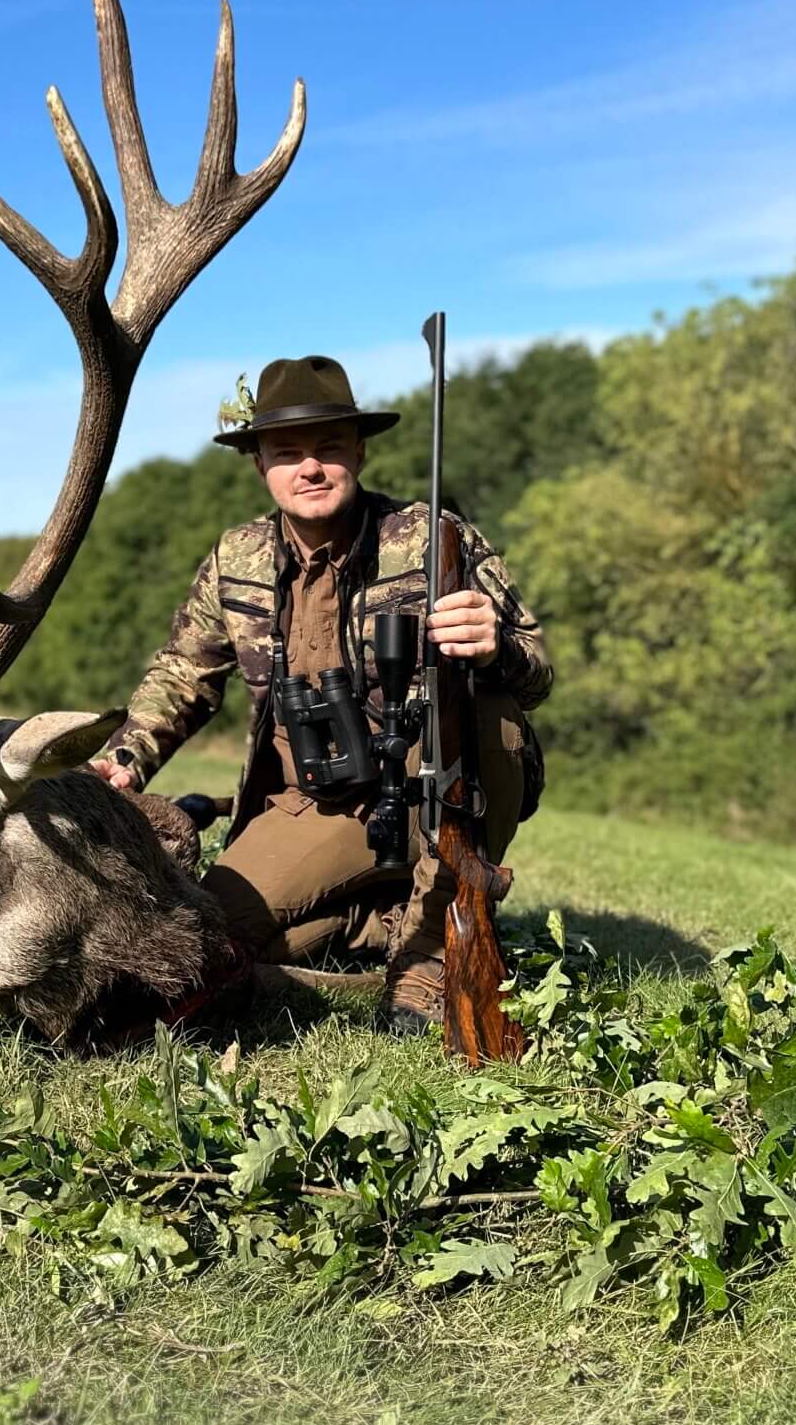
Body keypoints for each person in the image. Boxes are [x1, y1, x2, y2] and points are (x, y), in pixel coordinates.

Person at [89, 353, 551, 1032]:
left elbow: (536, 671)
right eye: (288, 451)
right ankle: (376, 922)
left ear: (358, 451)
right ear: (259, 464)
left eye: (329, 446)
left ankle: (426, 950)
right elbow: (184, 674)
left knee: (492, 713)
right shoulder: (235, 558)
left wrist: (497, 647)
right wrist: (123, 760)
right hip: (316, 799)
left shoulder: (432, 539)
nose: (310, 467)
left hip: (431, 787)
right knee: (205, 944)